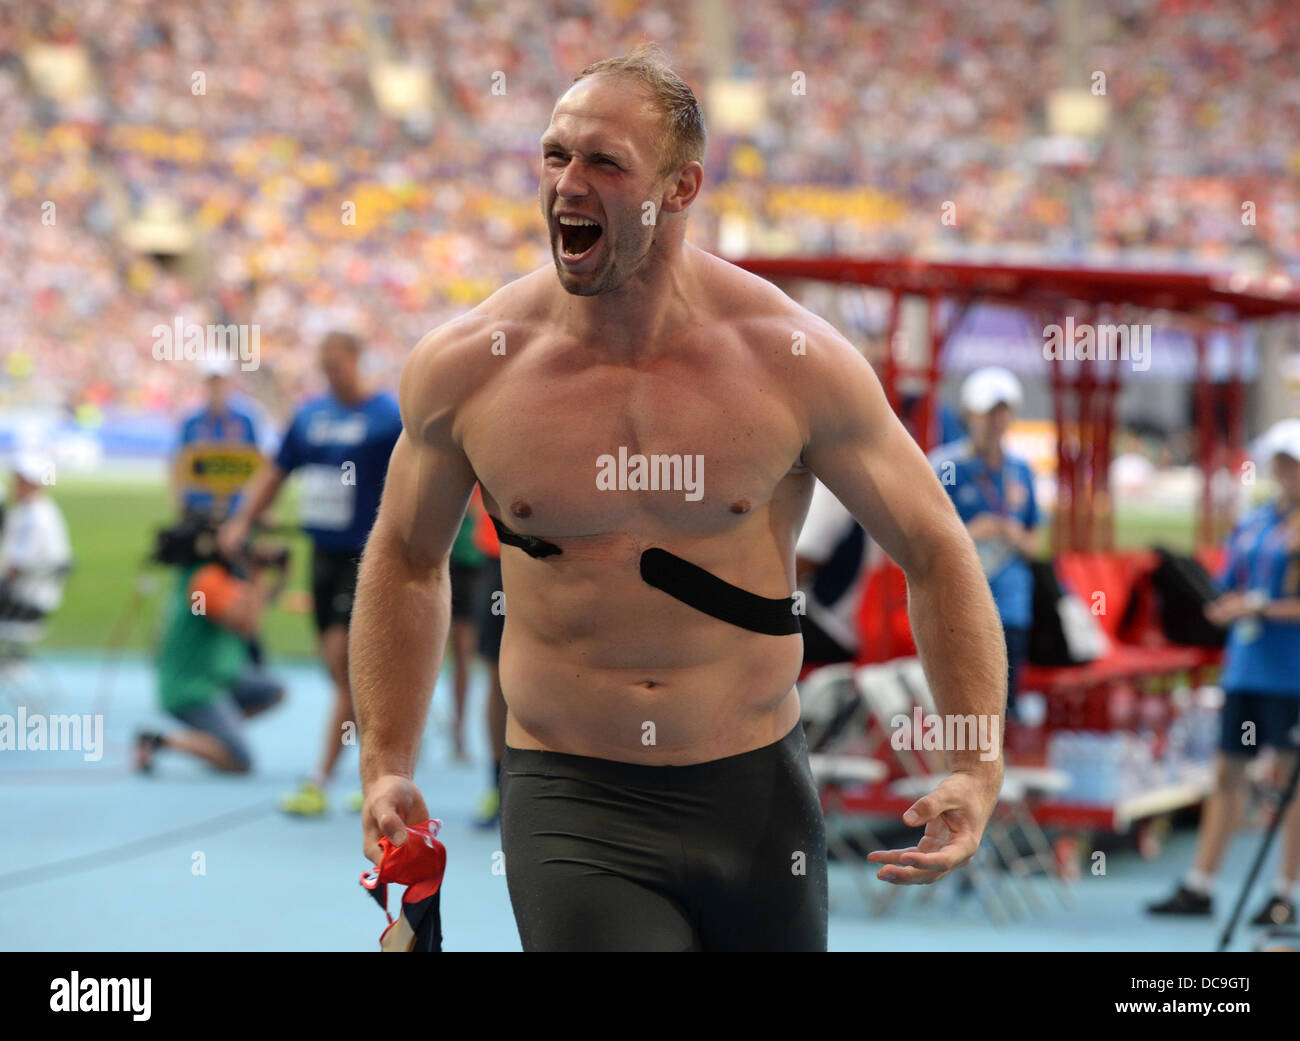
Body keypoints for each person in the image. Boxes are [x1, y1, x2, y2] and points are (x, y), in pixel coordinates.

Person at [351, 46, 1006, 952]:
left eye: (604, 163)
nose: (567, 185)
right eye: (554, 155)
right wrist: (386, 761)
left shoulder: (789, 359)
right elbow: (406, 557)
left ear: (681, 186)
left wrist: (974, 762)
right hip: (574, 802)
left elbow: (936, 548)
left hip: (758, 799)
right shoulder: (470, 365)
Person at [219, 330, 402, 815]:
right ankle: (380, 769)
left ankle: (321, 778)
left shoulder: (387, 418)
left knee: (346, 669)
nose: (330, 372)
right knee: (340, 671)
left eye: (337, 363)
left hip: (365, 559)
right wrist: (243, 518)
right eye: (323, 364)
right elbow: (276, 470)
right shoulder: (311, 416)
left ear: (359, 359)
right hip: (321, 558)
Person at [1148, 418, 1300, 927]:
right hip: (1246, 668)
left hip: (1291, 671)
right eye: (1280, 461)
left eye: (1292, 461)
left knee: (1291, 781)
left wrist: (1258, 608)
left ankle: (1284, 891)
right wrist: (1219, 606)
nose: (1285, 470)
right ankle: (1201, 884)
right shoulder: (1256, 519)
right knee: (1227, 773)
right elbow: (1226, 580)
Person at [929, 367, 1039, 720]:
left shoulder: (1020, 469)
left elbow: (1035, 541)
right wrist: (974, 532)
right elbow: (923, 535)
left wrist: (1013, 536)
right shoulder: (945, 466)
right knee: (965, 698)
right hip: (963, 594)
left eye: (1003, 413)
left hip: (1011, 598)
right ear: (969, 415)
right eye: (988, 413)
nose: (995, 422)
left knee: (1007, 698)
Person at [135, 538, 288, 773]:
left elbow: (256, 604)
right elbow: (247, 624)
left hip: (217, 676)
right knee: (240, 761)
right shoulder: (208, 581)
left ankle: (219, 734)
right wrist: (257, 572)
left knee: (273, 690)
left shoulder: (215, 574)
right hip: (192, 688)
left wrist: (279, 576)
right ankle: (160, 741)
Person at [172, 356, 264, 521]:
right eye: (212, 382)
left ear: (230, 383)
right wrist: (180, 500)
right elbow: (179, 463)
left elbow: (258, 464)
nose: (216, 387)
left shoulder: (245, 420)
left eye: (220, 382)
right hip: (198, 507)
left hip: (237, 508)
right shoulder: (192, 422)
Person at [795, 478, 871, 666]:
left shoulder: (828, 496)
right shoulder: (848, 491)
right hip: (840, 622)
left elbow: (789, 574)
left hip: (828, 624)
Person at [0, 452, 71, 628]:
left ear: (32, 483)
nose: (15, 485)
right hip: (32, 593)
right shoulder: (40, 510)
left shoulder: (33, 518)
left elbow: (16, 567)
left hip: (24, 599)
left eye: (20, 480)